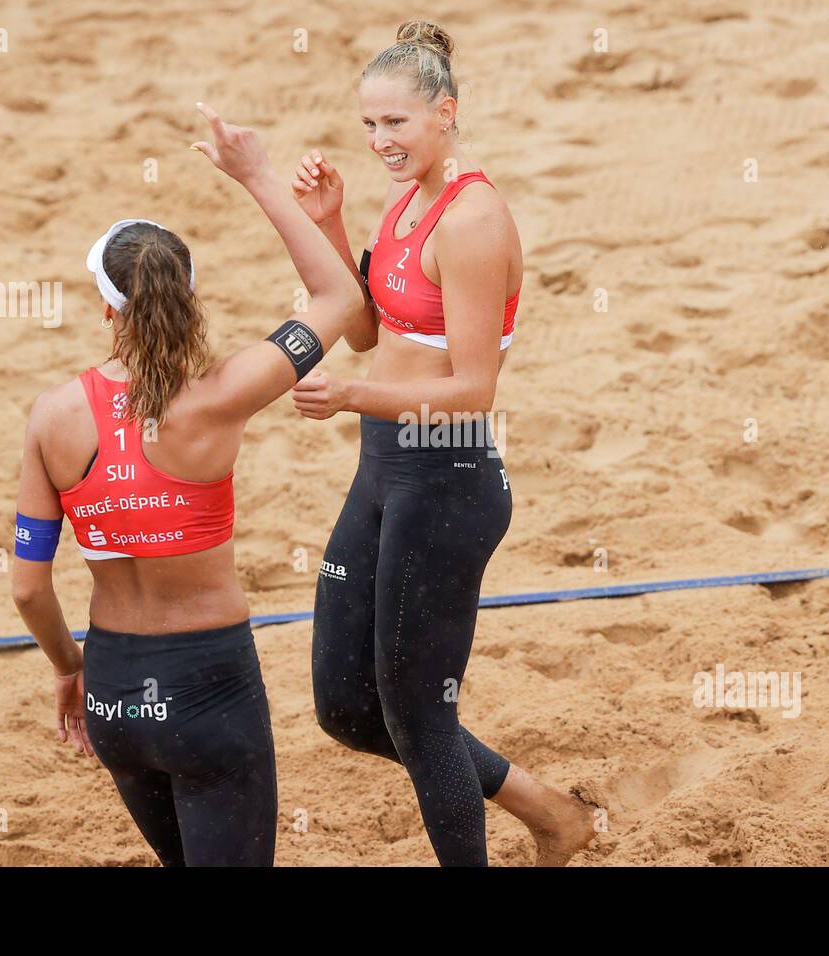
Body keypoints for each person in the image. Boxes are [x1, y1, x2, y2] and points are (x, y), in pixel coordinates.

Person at [10, 103, 366, 866]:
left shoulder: (52, 417)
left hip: (112, 694)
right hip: (210, 691)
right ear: (187, 295)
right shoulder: (222, 394)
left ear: (107, 305)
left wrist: (69, 669)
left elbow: (28, 591)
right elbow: (340, 298)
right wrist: (260, 177)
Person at [289, 20, 595, 866]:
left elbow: (472, 388)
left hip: (449, 478)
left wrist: (352, 399)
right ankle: (549, 811)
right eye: (370, 125)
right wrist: (330, 219)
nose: (382, 141)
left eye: (398, 124)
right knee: (345, 708)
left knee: (419, 715)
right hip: (385, 472)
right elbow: (366, 335)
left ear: (446, 114)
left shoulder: (471, 219)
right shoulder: (407, 204)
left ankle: (535, 829)